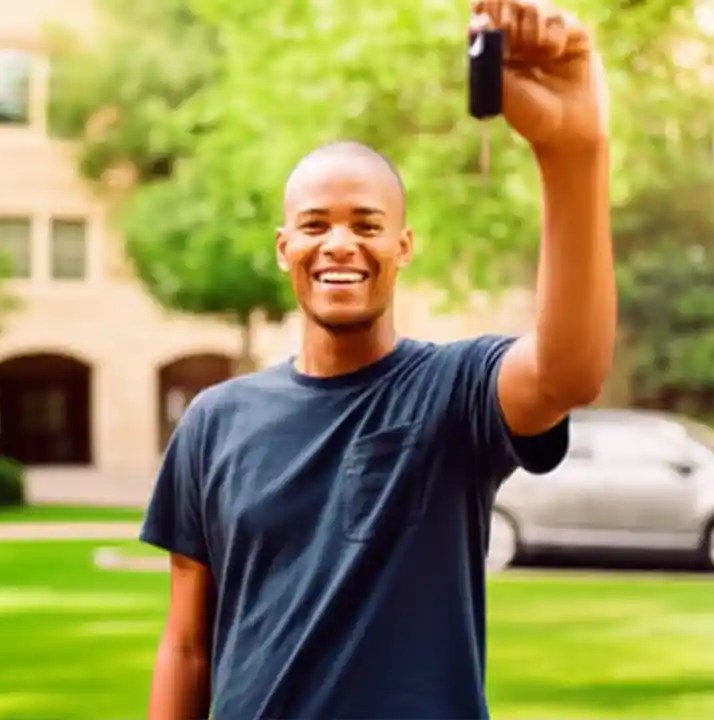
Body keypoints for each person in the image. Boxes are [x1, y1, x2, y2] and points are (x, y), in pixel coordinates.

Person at [139, 1, 615, 717]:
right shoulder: (214, 422)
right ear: (283, 248)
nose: (339, 244)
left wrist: (572, 153)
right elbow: (186, 645)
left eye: (367, 224)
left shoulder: (453, 394)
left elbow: (570, 370)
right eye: (314, 226)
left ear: (402, 246)